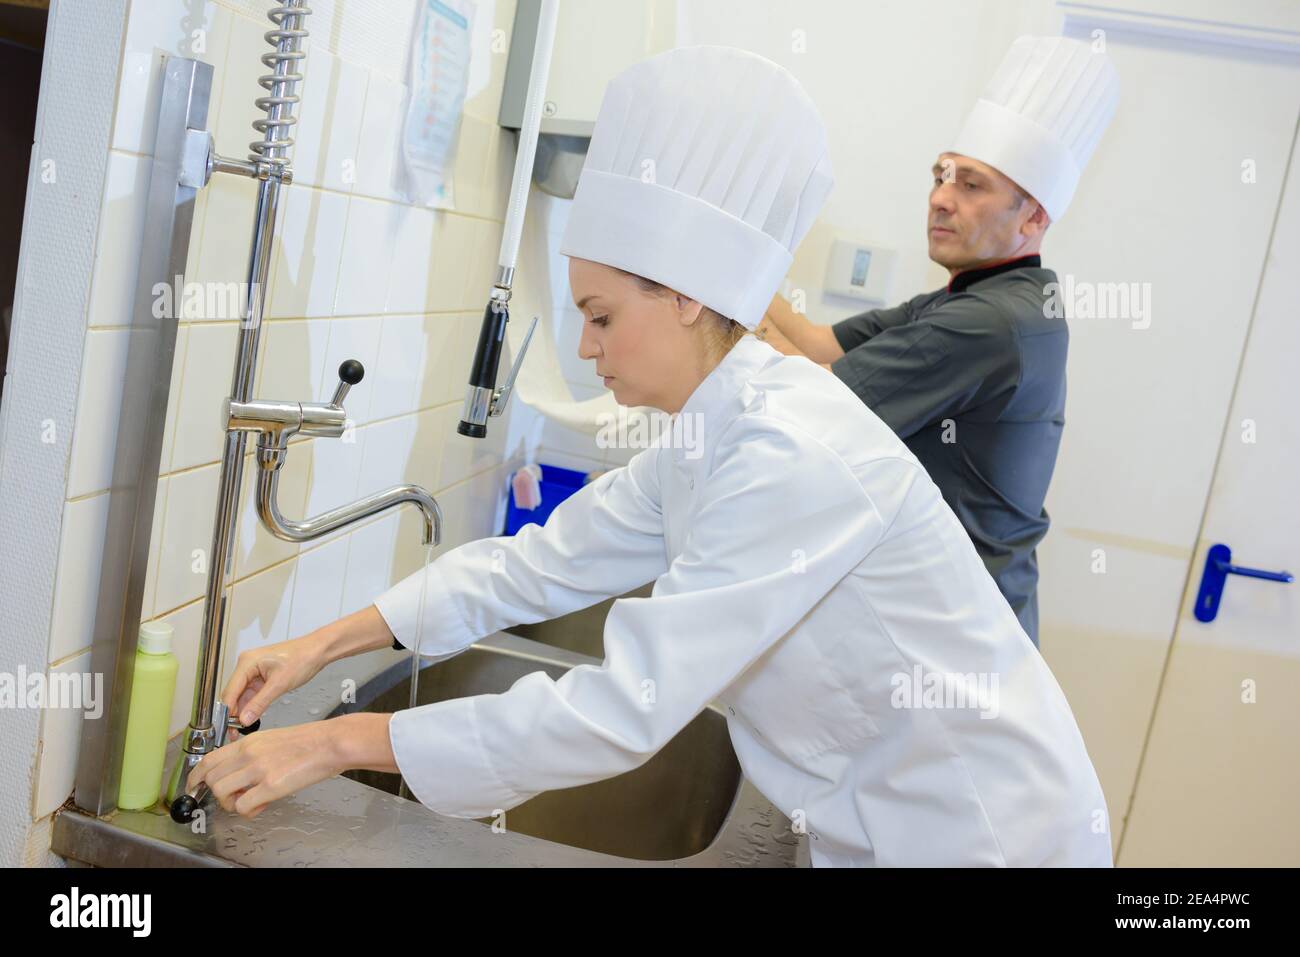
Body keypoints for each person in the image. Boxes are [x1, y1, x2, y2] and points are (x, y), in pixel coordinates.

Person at [189, 45, 1111, 867]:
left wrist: (335, 742)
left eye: (599, 318)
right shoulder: (720, 426)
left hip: (986, 836)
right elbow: (543, 561)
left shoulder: (790, 452)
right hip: (877, 823)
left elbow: (624, 707)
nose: (588, 349)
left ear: (681, 298)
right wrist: (323, 641)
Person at [760, 36, 1119, 646]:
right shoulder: (975, 293)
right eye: (941, 176)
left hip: (958, 631)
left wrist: (710, 293)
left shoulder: (993, 324)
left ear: (1034, 217)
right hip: (941, 614)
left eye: (971, 185)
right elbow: (818, 344)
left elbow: (809, 398)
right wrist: (746, 260)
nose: (940, 198)